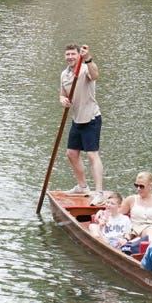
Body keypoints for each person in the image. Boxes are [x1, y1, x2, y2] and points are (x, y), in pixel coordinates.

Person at [60, 43, 105, 204]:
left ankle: (99, 192)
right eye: (68, 54)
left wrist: (88, 58)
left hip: (91, 118)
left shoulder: (86, 69)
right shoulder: (64, 75)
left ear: (78, 55)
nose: (70, 57)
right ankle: (82, 186)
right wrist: (63, 100)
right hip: (76, 119)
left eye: (73, 54)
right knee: (71, 153)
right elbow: (63, 95)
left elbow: (95, 75)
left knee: (92, 154)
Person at [121, 171, 152, 244]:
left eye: (141, 186)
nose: (138, 189)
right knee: (150, 230)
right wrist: (102, 212)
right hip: (136, 230)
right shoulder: (130, 200)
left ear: (150, 186)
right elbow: (116, 213)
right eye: (136, 185)